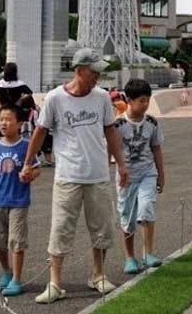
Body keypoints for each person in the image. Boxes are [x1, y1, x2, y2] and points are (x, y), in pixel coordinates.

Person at [20, 48, 129, 304]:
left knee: (102, 227)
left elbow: (110, 131)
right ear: (79, 70)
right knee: (60, 229)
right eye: (94, 72)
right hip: (68, 175)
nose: (97, 77)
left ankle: (98, 274)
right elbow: (40, 131)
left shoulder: (102, 97)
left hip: (98, 174)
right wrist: (28, 163)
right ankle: (55, 282)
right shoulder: (55, 98)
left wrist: (121, 164)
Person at [0, 105, 41, 297]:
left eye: (8, 119)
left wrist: (30, 175)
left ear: (20, 123)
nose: (4, 123)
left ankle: (16, 279)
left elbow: (36, 168)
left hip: (19, 202)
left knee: (16, 241)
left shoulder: (26, 146)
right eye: (1, 120)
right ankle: (6, 271)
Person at [114, 79, 165, 274]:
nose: (145, 104)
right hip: (126, 177)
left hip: (147, 173)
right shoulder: (118, 125)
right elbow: (111, 149)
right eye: (141, 101)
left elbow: (156, 148)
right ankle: (129, 257)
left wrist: (161, 174)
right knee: (127, 216)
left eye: (147, 100)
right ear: (129, 100)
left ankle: (148, 253)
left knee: (146, 208)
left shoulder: (151, 122)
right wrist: (119, 168)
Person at [18, 93, 54, 166]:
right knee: (33, 146)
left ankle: (23, 159)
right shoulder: (33, 112)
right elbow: (37, 123)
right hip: (31, 133)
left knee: (22, 146)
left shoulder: (19, 112)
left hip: (21, 133)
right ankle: (35, 160)